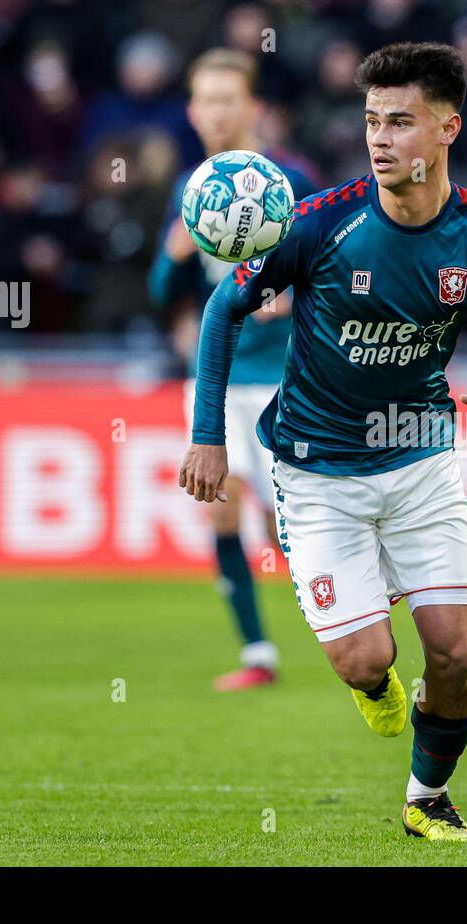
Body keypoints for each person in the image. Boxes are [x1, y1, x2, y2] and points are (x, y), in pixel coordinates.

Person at [179, 42, 467, 840]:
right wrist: (208, 439)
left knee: (458, 655)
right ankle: (372, 686)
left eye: (399, 122)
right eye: (371, 121)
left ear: (447, 129)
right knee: (368, 661)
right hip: (317, 471)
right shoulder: (319, 223)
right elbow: (221, 311)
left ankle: (426, 801)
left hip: (422, 463)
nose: (379, 138)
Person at [149, 49, 317, 691]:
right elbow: (163, 291)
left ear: (253, 107)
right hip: (216, 375)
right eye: (206, 101)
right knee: (219, 512)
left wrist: (293, 297)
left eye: (228, 99)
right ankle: (257, 656)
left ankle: (353, 630)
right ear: (192, 111)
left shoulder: (294, 180)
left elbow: (335, 271)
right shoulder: (190, 190)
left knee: (284, 528)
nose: (216, 112)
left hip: (285, 376)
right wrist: (171, 256)